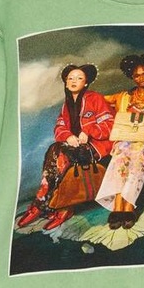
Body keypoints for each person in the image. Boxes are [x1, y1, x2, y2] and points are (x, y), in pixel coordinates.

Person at [17, 63, 114, 230]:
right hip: (74, 147)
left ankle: (45, 205)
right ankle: (56, 206)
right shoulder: (66, 105)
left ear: (86, 82)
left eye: (79, 78)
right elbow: (59, 127)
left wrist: (88, 132)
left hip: (96, 147)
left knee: (60, 152)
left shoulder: (95, 98)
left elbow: (110, 125)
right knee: (56, 150)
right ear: (66, 83)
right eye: (70, 78)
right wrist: (68, 136)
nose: (74, 81)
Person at [95, 53, 144, 230]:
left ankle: (128, 207)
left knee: (136, 154)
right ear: (131, 76)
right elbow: (97, 100)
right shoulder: (123, 96)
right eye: (137, 75)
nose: (141, 78)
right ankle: (117, 207)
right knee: (120, 156)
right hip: (124, 140)